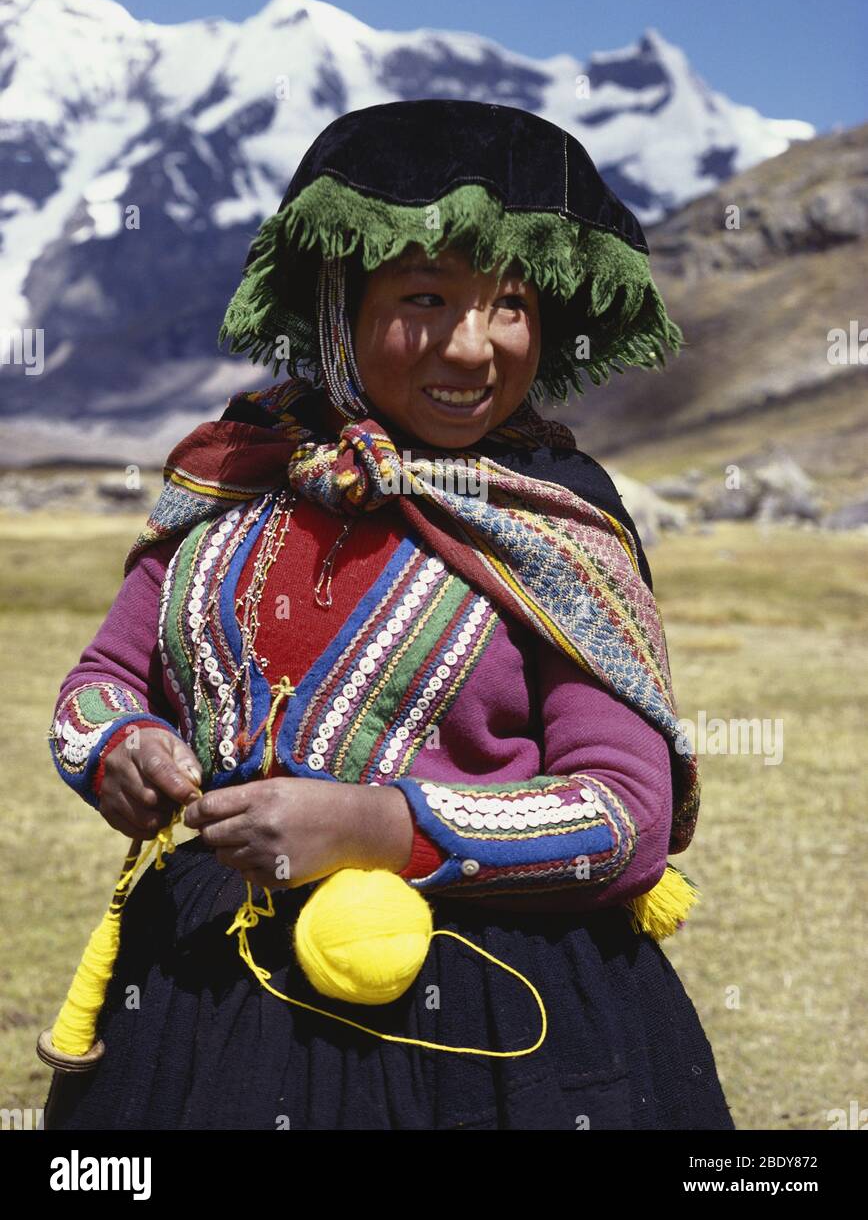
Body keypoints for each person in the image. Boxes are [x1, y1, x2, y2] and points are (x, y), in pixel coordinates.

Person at [43, 98, 735, 1131]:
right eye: (424, 297)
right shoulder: (233, 477)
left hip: (484, 1028)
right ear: (337, 300)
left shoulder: (557, 524)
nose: (471, 348)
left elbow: (624, 821)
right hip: (198, 999)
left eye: (508, 305)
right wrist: (123, 747)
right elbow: (98, 684)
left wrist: (381, 826)